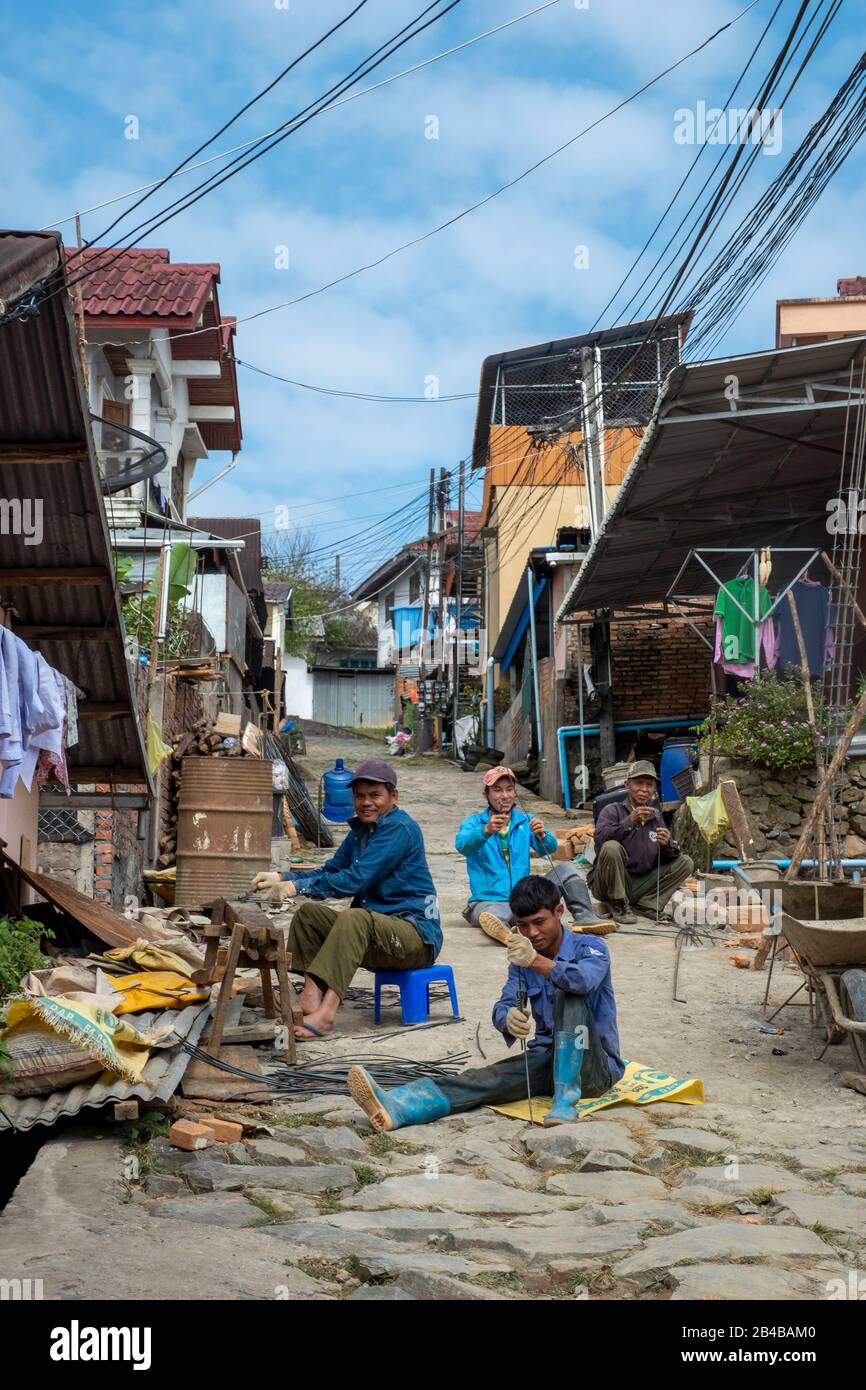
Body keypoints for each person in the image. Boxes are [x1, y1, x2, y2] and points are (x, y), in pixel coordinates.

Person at [347, 875, 624, 1132]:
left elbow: (583, 981)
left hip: (594, 1069)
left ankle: (565, 1103)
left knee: (569, 990)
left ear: (559, 912)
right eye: (524, 925)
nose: (532, 933)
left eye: (540, 922)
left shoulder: (590, 947)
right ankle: (399, 1106)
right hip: (548, 1060)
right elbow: (504, 1003)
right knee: (486, 1079)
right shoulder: (522, 958)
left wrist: (536, 962)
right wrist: (508, 1017)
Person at [251, 759, 441, 1040]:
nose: (366, 802)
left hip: (415, 937)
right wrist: (282, 876)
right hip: (379, 933)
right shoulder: (361, 831)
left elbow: (355, 879)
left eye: (375, 795)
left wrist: (297, 888)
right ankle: (310, 998)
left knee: (354, 918)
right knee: (309, 916)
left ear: (393, 797)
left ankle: (327, 1015)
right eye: (360, 796)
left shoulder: (399, 828)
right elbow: (331, 870)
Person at [455, 765, 607, 944]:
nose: (504, 795)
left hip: (523, 898)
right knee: (491, 914)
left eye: (509, 789)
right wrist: (486, 830)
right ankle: (509, 931)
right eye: (497, 790)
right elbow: (462, 845)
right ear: (486, 795)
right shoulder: (475, 822)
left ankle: (585, 916)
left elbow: (547, 849)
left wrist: (542, 835)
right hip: (489, 899)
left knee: (567, 870)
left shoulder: (524, 820)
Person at [589, 760, 693, 925]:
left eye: (649, 785)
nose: (644, 789)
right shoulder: (612, 810)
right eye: (639, 783)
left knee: (685, 862)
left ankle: (648, 905)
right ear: (627, 784)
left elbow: (668, 857)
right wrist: (629, 822)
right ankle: (618, 905)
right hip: (607, 884)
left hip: (638, 884)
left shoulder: (655, 816)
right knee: (611, 847)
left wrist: (667, 845)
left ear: (654, 789)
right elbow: (600, 839)